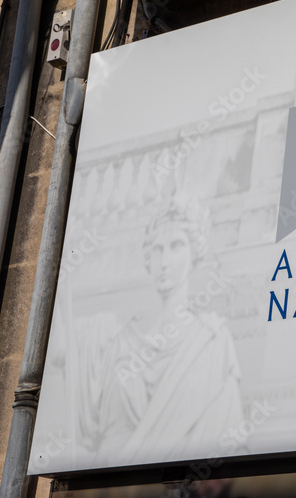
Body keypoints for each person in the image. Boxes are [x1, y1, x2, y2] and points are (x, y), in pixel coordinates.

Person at [60, 199, 244, 466]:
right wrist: (58, 265)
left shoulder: (211, 341)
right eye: (157, 249)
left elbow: (229, 443)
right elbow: (57, 353)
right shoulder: (115, 337)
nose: (164, 261)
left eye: (176, 246)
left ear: (195, 253)